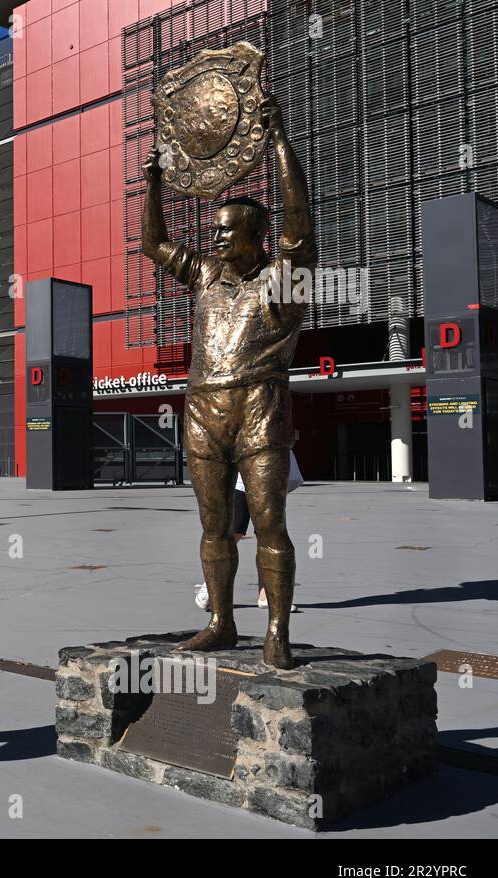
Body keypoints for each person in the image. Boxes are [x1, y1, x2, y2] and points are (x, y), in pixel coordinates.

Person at [142, 91, 316, 668]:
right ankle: (219, 620)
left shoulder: (282, 280)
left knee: (269, 522)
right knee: (214, 524)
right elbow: (152, 244)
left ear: (255, 234)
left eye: (225, 231)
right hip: (202, 408)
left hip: (260, 406)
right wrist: (154, 186)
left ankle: (277, 632)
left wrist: (282, 141)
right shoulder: (206, 274)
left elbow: (299, 221)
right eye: (214, 231)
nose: (214, 239)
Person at [195, 449, 303, 612]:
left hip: (269, 481)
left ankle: (266, 596)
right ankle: (210, 586)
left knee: (269, 537)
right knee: (234, 533)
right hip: (241, 481)